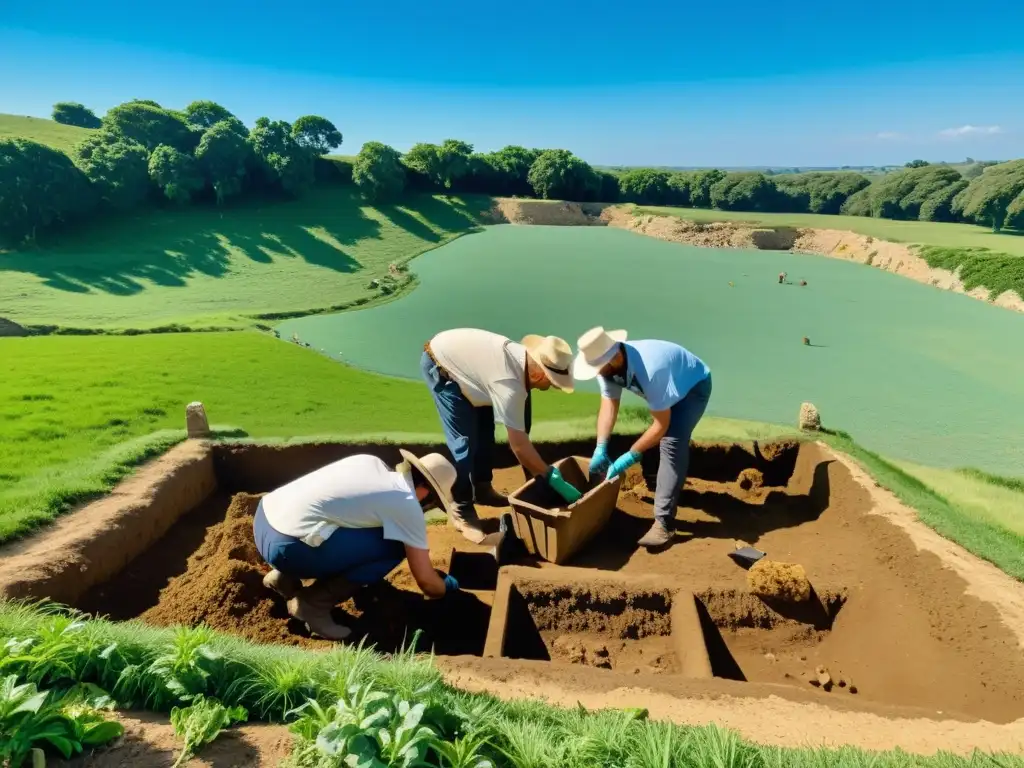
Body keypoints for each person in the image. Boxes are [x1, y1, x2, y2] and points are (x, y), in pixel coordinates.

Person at [254, 450, 461, 640]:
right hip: (288, 549)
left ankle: (283, 577)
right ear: (425, 490)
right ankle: (313, 604)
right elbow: (427, 583)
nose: (428, 507)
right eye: (432, 501)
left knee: (334, 520)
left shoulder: (371, 462)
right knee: (395, 545)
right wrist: (446, 587)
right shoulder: (406, 503)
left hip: (264, 521)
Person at [421, 328, 583, 538]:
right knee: (465, 444)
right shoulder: (508, 385)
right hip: (443, 366)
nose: (551, 387)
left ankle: (483, 490)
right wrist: (551, 477)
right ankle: (461, 508)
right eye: (551, 382)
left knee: (486, 431)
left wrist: (535, 487)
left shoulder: (523, 367)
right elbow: (519, 446)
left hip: (474, 371)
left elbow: (523, 428)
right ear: (538, 373)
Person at [574, 327, 712, 550]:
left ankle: (664, 523)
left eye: (599, 368)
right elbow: (609, 405)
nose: (597, 373)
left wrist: (629, 457)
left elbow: (661, 425)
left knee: (671, 441)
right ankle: (655, 478)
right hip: (666, 387)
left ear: (616, 357)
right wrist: (601, 446)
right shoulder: (607, 368)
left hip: (692, 388)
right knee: (654, 433)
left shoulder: (652, 370)